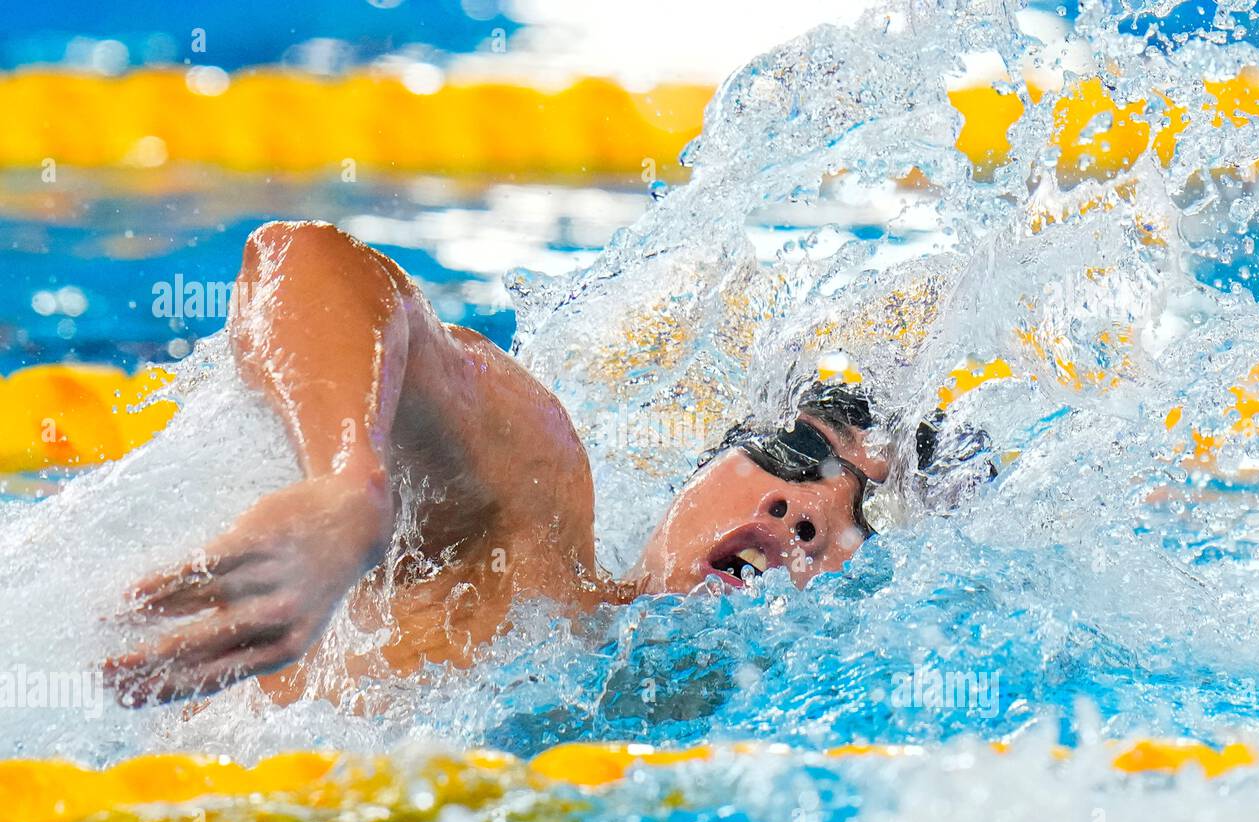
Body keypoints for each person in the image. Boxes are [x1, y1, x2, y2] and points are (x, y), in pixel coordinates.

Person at [103, 221, 920, 707]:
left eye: (869, 522)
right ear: (701, 468)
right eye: (799, 452)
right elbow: (301, 260)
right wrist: (348, 483)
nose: (806, 510)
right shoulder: (528, 512)